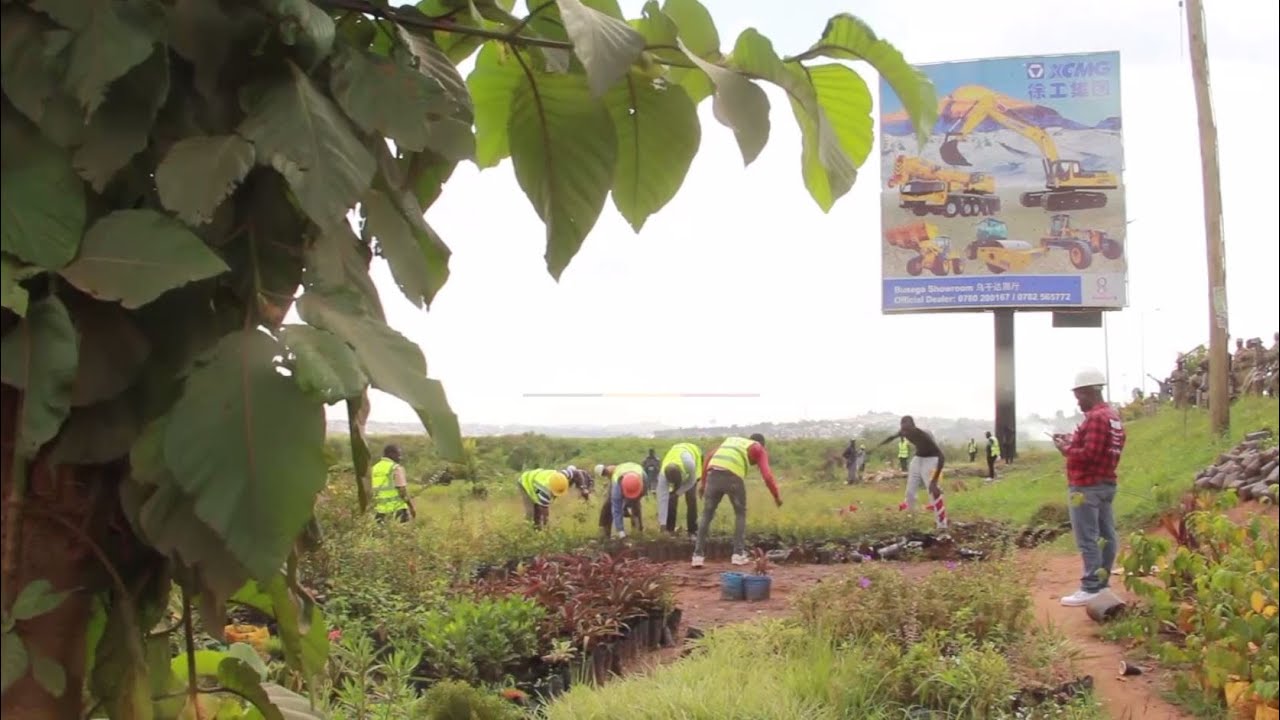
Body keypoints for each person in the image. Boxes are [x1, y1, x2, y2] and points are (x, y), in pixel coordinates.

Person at [1053, 368, 1126, 608]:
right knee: (1107, 535)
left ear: (1090, 392)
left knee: (1088, 538)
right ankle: (1102, 582)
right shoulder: (1113, 416)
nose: (1078, 401)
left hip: (1086, 485)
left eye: (1080, 395)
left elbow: (1090, 454)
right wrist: (1073, 441)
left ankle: (1091, 586)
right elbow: (1104, 449)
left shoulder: (1095, 418)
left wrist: (1066, 450)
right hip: (1106, 483)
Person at [691, 434, 782, 568]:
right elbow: (767, 476)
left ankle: (697, 556)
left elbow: (709, 457)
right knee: (740, 513)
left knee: (707, 514)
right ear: (761, 444)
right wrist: (776, 496)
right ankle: (738, 555)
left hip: (713, 474)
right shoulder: (758, 448)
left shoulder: (731, 441)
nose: (754, 463)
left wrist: (704, 484)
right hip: (732, 477)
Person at [875, 417, 947, 528]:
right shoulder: (904, 431)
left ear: (913, 427)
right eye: (903, 430)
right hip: (918, 459)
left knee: (933, 491)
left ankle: (942, 525)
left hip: (932, 459)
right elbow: (891, 437)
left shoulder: (923, 435)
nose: (905, 433)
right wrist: (877, 446)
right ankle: (911, 518)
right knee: (909, 493)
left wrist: (934, 480)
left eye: (907, 430)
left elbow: (941, 456)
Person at [658, 442, 702, 537]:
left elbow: (691, 481)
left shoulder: (689, 465)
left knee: (691, 498)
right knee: (671, 499)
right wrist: (662, 525)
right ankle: (669, 529)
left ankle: (692, 530)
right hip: (677, 456)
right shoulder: (662, 475)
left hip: (693, 457)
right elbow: (662, 499)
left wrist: (678, 492)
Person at [597, 462, 645, 538]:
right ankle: (608, 531)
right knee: (610, 503)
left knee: (636, 506)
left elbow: (641, 494)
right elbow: (616, 509)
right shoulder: (616, 486)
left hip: (637, 474)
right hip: (620, 479)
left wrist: (630, 503)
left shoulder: (644, 479)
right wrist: (620, 531)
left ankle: (638, 530)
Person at [371, 444, 416, 523]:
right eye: (398, 455)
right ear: (391, 454)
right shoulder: (396, 468)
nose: (400, 457)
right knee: (401, 534)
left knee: (381, 534)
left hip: (379, 512)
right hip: (397, 510)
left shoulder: (374, 468)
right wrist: (412, 507)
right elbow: (402, 491)